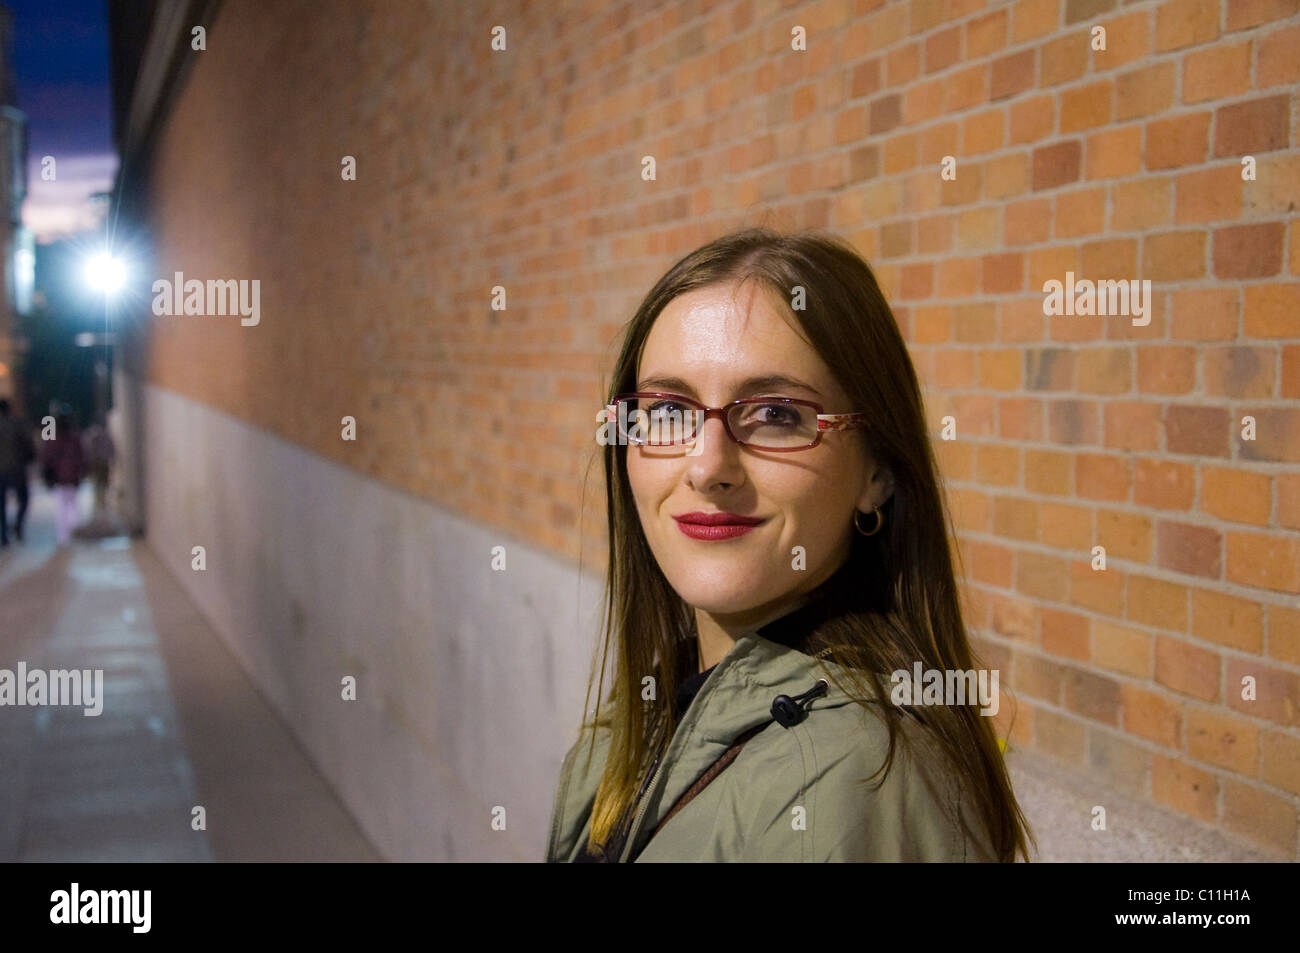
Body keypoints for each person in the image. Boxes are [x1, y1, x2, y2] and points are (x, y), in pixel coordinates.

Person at [545, 227, 1035, 862]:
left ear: (877, 472)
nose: (707, 466)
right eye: (668, 411)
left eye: (776, 415)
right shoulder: (665, 701)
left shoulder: (852, 778)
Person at [40, 412, 86, 547]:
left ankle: (63, 537)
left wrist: (47, 475)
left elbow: (46, 459)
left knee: (61, 507)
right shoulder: (75, 438)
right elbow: (82, 457)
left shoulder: (52, 440)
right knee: (71, 505)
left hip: (59, 478)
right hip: (72, 477)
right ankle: (71, 530)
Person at [0, 398, 35, 546]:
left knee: (1, 505)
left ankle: (4, 535)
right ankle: (18, 525)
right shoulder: (18, 424)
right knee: (24, 499)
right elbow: (28, 445)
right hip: (17, 469)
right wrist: (29, 459)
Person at [82, 416, 116, 515]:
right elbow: (111, 448)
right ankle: (101, 507)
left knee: (97, 487)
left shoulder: (90, 435)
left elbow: (87, 451)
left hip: (95, 464)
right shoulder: (105, 435)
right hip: (103, 463)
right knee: (102, 486)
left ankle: (99, 508)